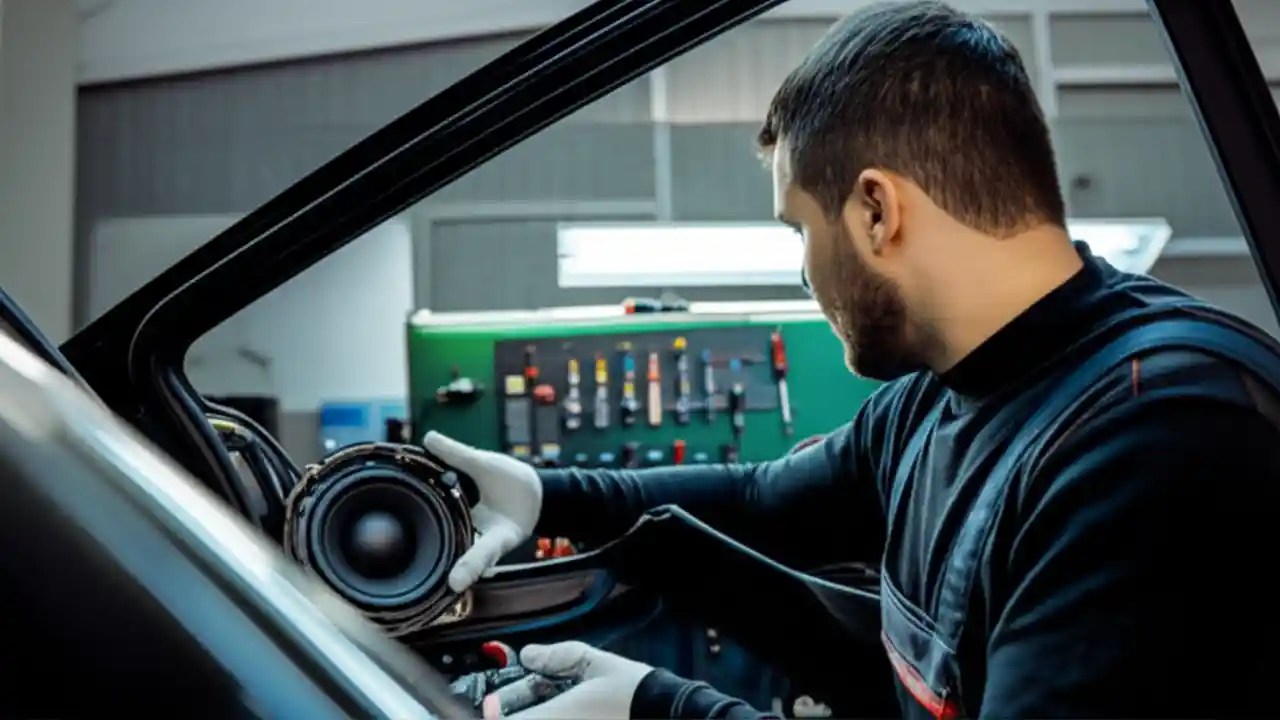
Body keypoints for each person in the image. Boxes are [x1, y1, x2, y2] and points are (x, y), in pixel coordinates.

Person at [426, 1, 1280, 717]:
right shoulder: (937, 396)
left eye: (801, 229)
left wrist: (660, 708)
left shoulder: (1156, 439)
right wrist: (543, 497)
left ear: (876, 211)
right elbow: (765, 499)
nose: (804, 271)